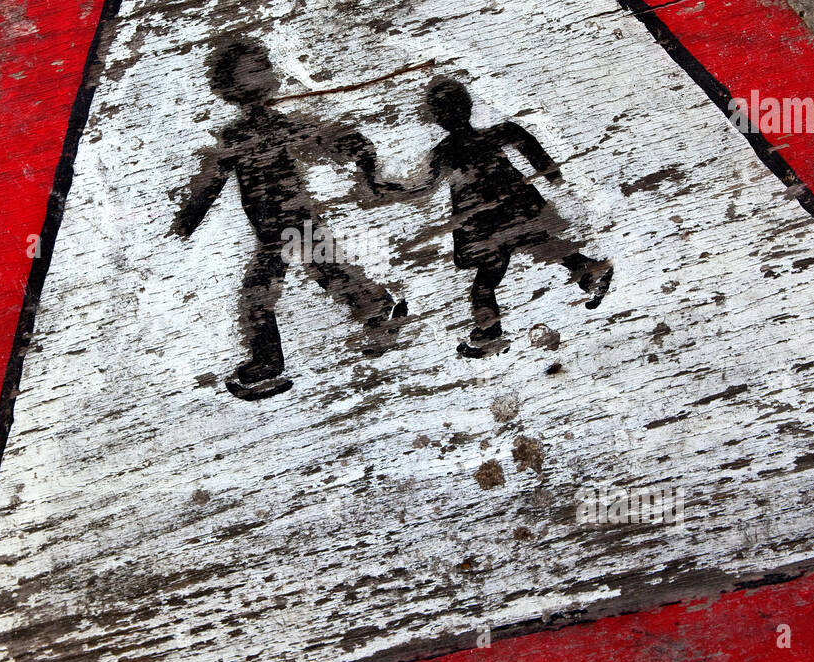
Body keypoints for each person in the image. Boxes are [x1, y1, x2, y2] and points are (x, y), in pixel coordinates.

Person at [170, 38, 407, 399]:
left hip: (291, 223)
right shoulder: (240, 134)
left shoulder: (269, 128)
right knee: (316, 277)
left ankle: (273, 361)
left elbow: (324, 139)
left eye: (259, 68)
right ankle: (376, 311)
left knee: (266, 292)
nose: (256, 77)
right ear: (228, 87)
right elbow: (216, 177)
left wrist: (358, 153)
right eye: (248, 71)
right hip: (277, 228)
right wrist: (189, 217)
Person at [400, 77, 612, 357]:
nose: (443, 118)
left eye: (440, 112)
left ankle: (490, 333)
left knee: (490, 276)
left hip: (485, 220)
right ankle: (588, 270)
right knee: (535, 248)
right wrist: (551, 173)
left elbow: (421, 185)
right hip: (508, 208)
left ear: (437, 117)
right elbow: (524, 140)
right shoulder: (484, 137)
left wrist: (553, 174)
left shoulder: (445, 151)